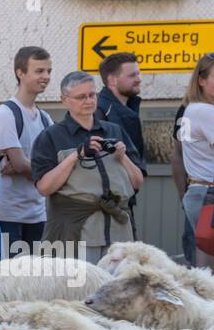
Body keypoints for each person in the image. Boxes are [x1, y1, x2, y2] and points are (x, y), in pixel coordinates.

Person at [31, 71, 144, 263]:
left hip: (118, 233)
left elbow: (137, 183)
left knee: (117, 290)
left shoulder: (114, 130)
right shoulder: (51, 136)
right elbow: (44, 187)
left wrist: (122, 157)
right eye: (81, 97)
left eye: (92, 95)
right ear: (64, 100)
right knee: (77, 290)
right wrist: (77, 155)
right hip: (78, 232)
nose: (88, 101)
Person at [0, 46, 54, 256]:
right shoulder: (6, 113)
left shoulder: (45, 118)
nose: (46, 77)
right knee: (10, 280)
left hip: (37, 213)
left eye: (49, 71)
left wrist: (25, 165)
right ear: (20, 73)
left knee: (33, 280)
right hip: (7, 215)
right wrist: (27, 166)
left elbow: (55, 163)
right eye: (39, 71)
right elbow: (20, 164)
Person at [175, 52, 214, 271]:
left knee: (208, 272)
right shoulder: (207, 112)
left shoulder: (193, 109)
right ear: (201, 80)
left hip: (203, 193)